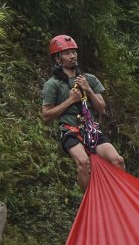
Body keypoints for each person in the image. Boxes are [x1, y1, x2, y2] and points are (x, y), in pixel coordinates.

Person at [40, 35, 125, 192]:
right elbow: (46, 116)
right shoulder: (52, 85)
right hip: (69, 130)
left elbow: (101, 108)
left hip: (90, 129)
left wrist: (89, 89)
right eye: (67, 53)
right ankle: (89, 202)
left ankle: (120, 197)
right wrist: (70, 100)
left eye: (74, 52)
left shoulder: (89, 79)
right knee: (83, 162)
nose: (72, 56)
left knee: (117, 160)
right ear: (58, 59)